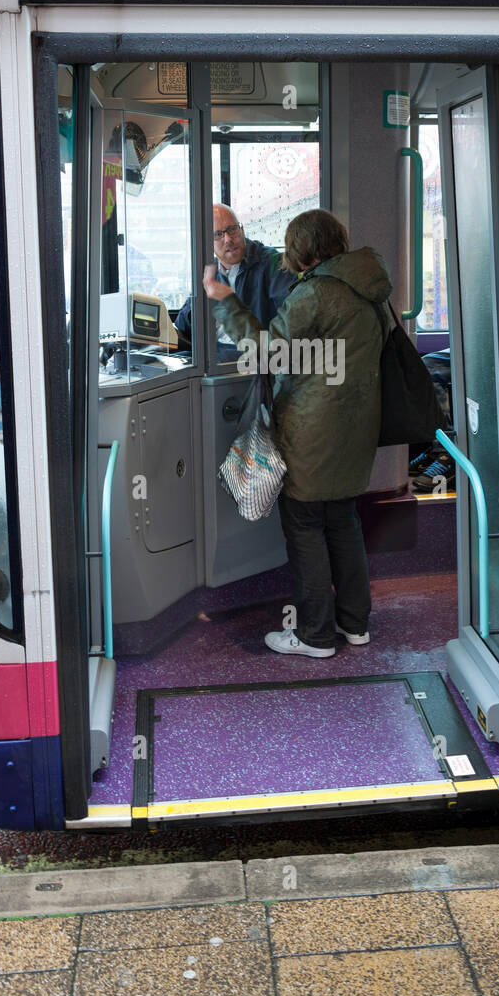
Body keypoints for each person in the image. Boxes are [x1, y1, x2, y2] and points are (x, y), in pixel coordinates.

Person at [204, 208, 391, 658]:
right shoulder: (368, 287)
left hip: (313, 431)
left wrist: (225, 299)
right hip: (356, 427)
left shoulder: (317, 292)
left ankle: (314, 636)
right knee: (343, 523)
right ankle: (353, 624)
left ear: (301, 249)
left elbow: (266, 353)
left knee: (305, 528)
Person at [176, 204, 296, 361]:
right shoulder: (210, 272)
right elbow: (183, 326)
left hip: (253, 361)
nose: (228, 239)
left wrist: (227, 299)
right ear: (207, 242)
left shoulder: (273, 264)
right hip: (213, 358)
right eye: (218, 234)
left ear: (242, 230)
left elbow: (289, 332)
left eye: (232, 230)